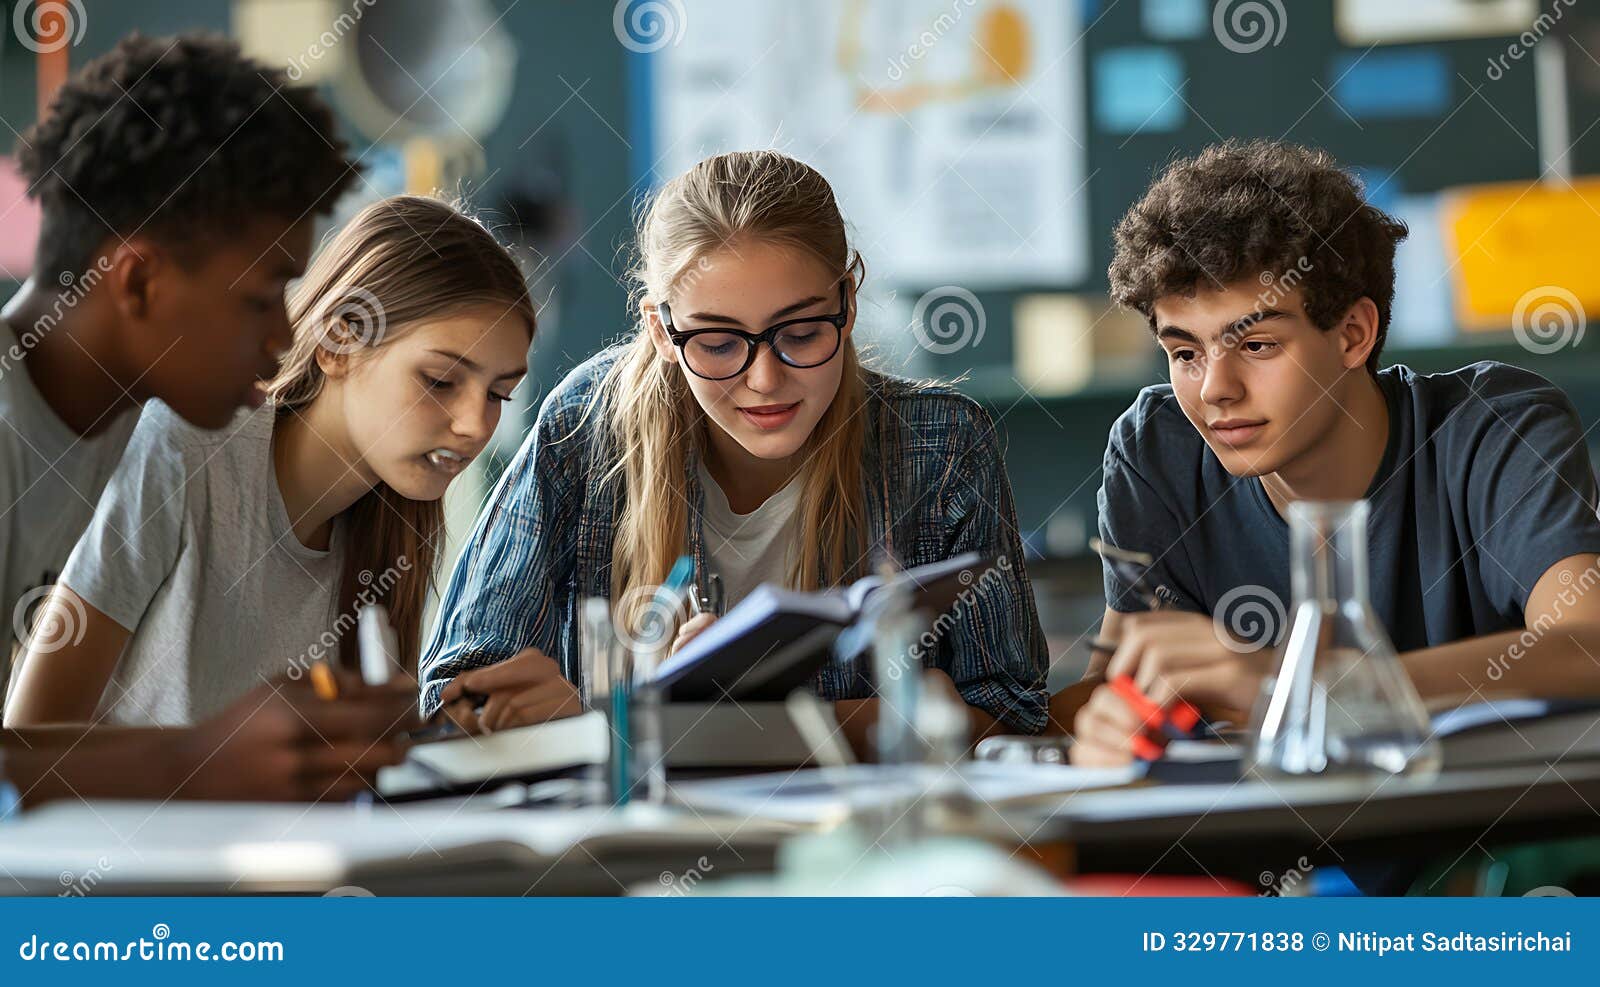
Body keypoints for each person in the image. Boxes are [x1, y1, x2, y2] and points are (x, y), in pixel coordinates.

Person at [420, 149, 1048, 745]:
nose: (765, 380)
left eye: (801, 334)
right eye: (719, 345)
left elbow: (1012, 710)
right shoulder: (585, 424)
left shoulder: (940, 443)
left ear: (849, 304)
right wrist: (622, 724)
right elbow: (456, 691)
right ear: (662, 331)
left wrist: (735, 722)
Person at [1066, 139, 1600, 766]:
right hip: (1253, 848)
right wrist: (1102, 722)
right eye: (1185, 353)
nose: (1215, 388)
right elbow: (1113, 684)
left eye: (1258, 345)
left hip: (1468, 843)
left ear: (1353, 335)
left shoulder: (1491, 427)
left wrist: (1305, 689)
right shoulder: (1157, 449)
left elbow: (1587, 645)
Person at [0, 32, 415, 800]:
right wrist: (191, 760)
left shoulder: (109, 424)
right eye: (262, 296)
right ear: (138, 282)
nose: (285, 338)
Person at [7, 195, 536, 727]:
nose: (475, 425)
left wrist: (455, 742)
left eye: (499, 394)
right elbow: (30, 747)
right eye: (440, 380)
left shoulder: (391, 535)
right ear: (338, 342)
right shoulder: (183, 449)